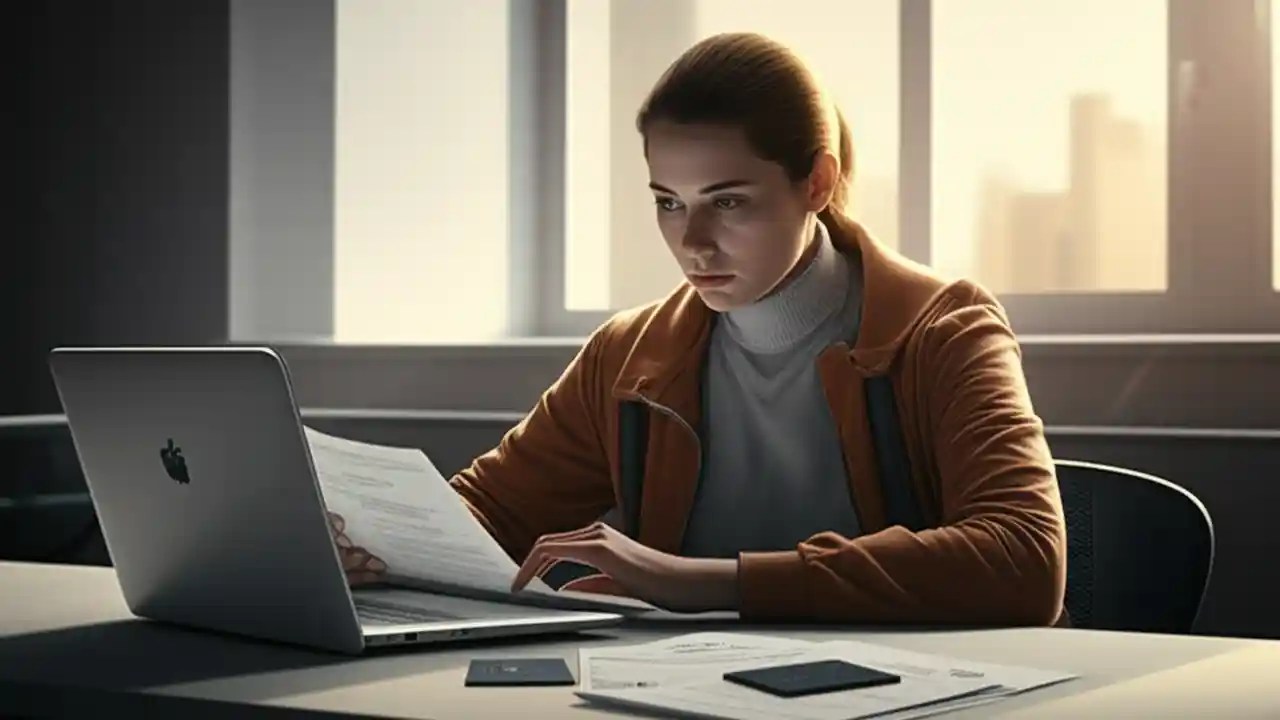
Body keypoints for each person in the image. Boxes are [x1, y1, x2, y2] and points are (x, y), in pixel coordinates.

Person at [332, 32, 1067, 626]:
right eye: (668, 202)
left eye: (729, 203)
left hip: (915, 692)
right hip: (686, 691)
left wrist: (698, 582)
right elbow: (487, 514)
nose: (693, 244)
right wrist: (363, 544)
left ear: (814, 182)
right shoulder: (626, 355)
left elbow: (1026, 559)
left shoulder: (942, 328)